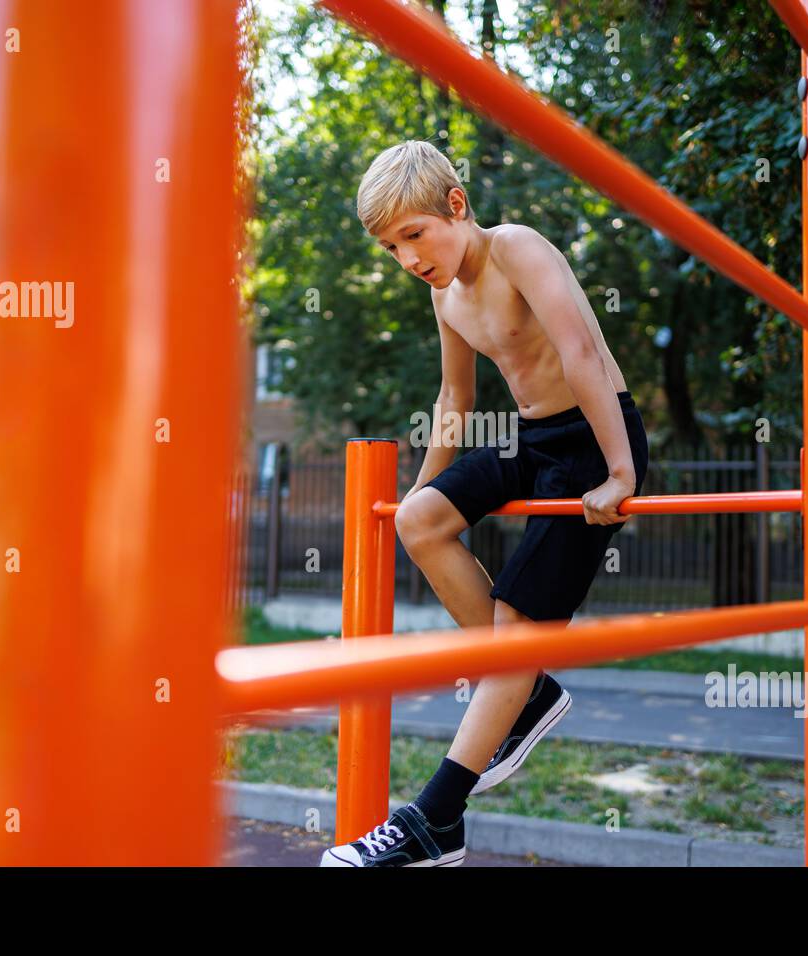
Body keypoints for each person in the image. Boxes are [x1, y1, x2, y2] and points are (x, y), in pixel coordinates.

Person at [320, 141, 648, 867]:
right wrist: (421, 490)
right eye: (390, 247)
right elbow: (455, 399)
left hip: (594, 437)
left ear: (456, 207)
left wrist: (620, 471)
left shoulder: (517, 249)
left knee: (514, 626)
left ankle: (437, 818)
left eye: (415, 235)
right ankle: (525, 691)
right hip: (532, 437)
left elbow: (584, 355)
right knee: (419, 521)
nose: (408, 258)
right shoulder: (444, 295)